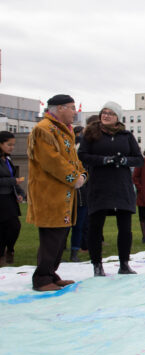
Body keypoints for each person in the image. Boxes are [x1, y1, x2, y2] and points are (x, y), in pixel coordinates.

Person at [26, 94, 87, 291]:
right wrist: (74, 178)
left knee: (60, 236)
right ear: (60, 108)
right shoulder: (44, 129)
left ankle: (51, 273)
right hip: (49, 193)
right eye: (72, 108)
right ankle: (42, 278)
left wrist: (82, 173)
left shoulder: (63, 130)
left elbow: (72, 158)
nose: (75, 112)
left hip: (64, 195)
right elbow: (52, 161)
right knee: (51, 237)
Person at [78, 101, 143, 276]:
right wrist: (104, 160)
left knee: (125, 228)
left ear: (117, 117)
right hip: (99, 185)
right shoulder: (91, 134)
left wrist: (124, 160)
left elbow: (139, 159)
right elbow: (82, 155)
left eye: (110, 113)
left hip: (122, 186)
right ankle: (97, 265)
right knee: (95, 226)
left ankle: (124, 264)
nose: (106, 115)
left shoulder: (126, 136)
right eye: (104, 112)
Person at [0, 131, 26, 267]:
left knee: (14, 226)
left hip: (9, 197)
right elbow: (11, 180)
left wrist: (20, 192)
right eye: (9, 144)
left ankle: (9, 249)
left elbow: (13, 179)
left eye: (13, 145)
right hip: (1, 198)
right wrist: (13, 181)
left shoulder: (8, 160)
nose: (12, 147)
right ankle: (3, 254)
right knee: (6, 227)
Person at [68, 125, 87, 262]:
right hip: (68, 196)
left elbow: (85, 172)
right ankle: (60, 250)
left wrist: (83, 177)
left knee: (79, 225)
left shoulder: (82, 158)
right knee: (64, 226)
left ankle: (74, 251)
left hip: (81, 195)